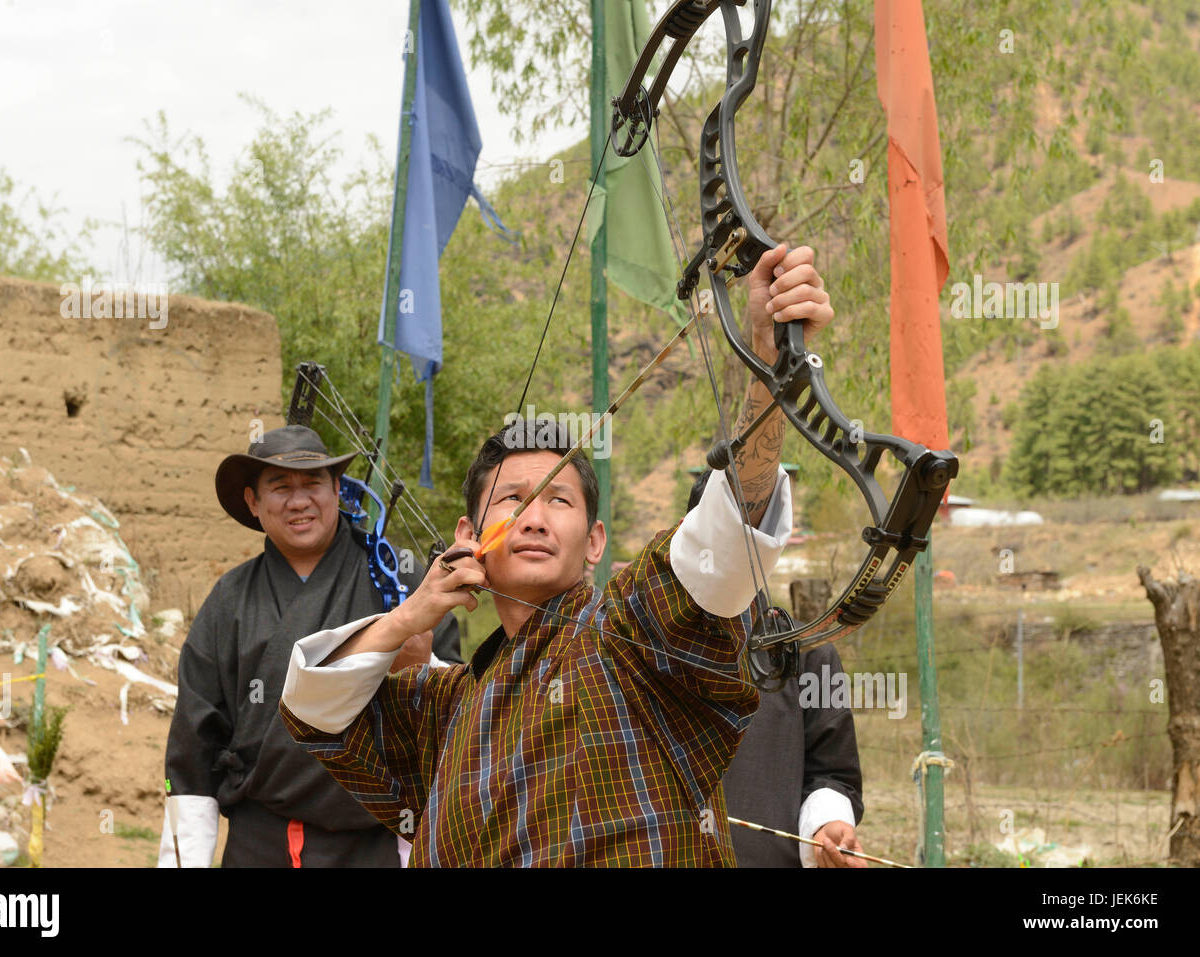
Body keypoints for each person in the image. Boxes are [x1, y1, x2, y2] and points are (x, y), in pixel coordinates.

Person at [278, 244, 833, 866]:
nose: (535, 517)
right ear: (468, 534)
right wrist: (410, 617)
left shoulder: (628, 638)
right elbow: (311, 706)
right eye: (511, 499)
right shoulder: (445, 707)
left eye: (559, 500)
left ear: (594, 543)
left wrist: (769, 363)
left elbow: (724, 548)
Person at [158, 424, 460, 867]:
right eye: (280, 487)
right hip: (261, 842)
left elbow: (460, 718)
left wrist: (422, 666)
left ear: (337, 489)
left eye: (313, 483)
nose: (299, 501)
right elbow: (192, 749)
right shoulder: (230, 601)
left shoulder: (401, 584)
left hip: (377, 842)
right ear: (253, 503)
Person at [683, 471, 867, 868]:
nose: (737, 547)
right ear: (689, 535)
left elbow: (833, 775)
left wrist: (826, 825)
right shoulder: (639, 648)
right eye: (722, 527)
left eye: (755, 529)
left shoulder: (810, 659)